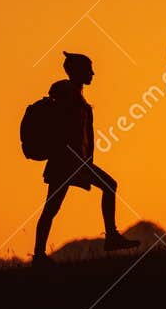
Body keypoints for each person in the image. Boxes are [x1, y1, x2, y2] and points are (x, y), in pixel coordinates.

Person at [33, 52, 139, 264]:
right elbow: (66, 131)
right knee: (107, 186)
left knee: (52, 208)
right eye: (88, 69)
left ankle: (39, 255)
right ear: (77, 71)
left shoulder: (74, 95)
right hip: (68, 163)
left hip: (74, 162)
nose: (92, 73)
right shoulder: (67, 95)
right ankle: (111, 237)